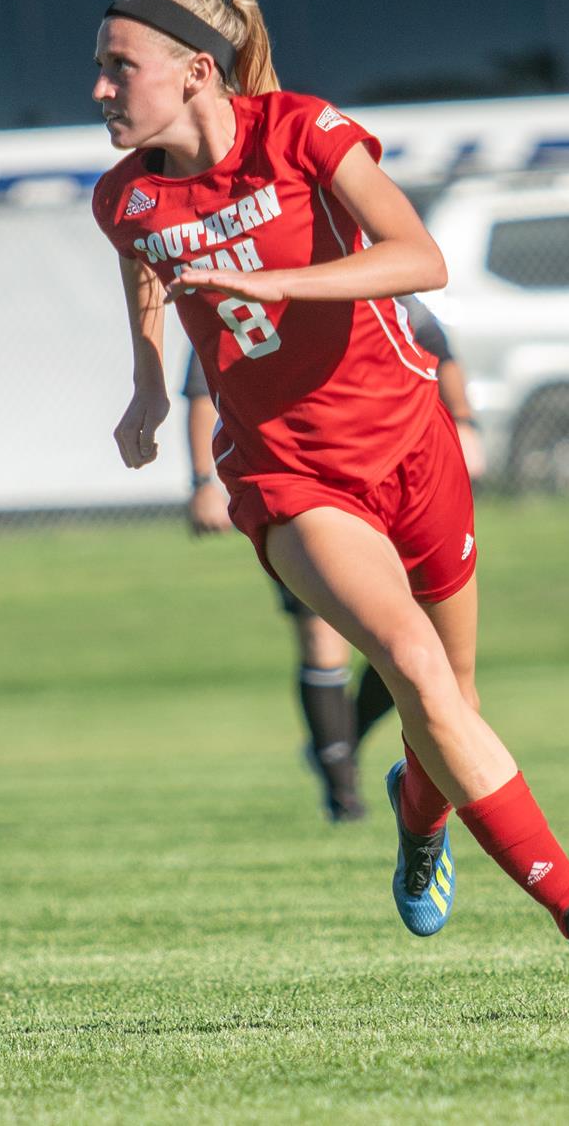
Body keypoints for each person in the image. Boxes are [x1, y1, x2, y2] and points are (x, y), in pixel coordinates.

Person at [90, 0, 569, 1000]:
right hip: (290, 474)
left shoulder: (302, 131)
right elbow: (144, 261)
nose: (99, 89)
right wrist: (146, 382)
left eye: (118, 66)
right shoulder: (124, 196)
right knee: (413, 668)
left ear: (196, 71)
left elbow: (420, 259)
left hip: (411, 446)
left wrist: (270, 281)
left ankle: (418, 819)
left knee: (452, 696)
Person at [183, 297, 486, 823]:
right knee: (321, 637)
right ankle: (343, 795)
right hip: (297, 488)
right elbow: (200, 390)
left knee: (415, 641)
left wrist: (465, 422)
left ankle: (343, 739)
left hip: (390, 484)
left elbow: (438, 350)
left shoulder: (357, 277)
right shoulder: (226, 285)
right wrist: (202, 481)